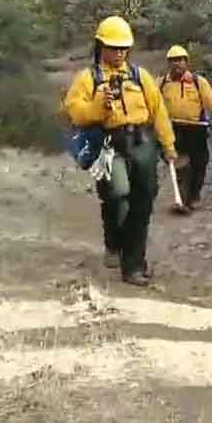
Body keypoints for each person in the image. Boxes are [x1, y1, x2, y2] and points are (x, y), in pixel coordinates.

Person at [63, 16, 177, 286]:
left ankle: (134, 264)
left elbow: (158, 111)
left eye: (124, 48)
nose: (120, 53)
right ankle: (114, 242)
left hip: (142, 142)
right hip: (109, 145)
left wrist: (169, 145)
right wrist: (99, 105)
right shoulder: (88, 79)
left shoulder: (140, 76)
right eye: (114, 48)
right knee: (117, 195)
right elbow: (75, 113)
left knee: (143, 201)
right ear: (100, 47)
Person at [159, 44, 212, 212]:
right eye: (173, 60)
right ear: (168, 63)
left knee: (200, 163)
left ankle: (194, 195)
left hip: (196, 129)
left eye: (180, 60)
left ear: (187, 62)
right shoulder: (161, 83)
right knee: (178, 164)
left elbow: (211, 101)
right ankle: (184, 199)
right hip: (172, 129)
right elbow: (153, 104)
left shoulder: (198, 82)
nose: (177, 64)